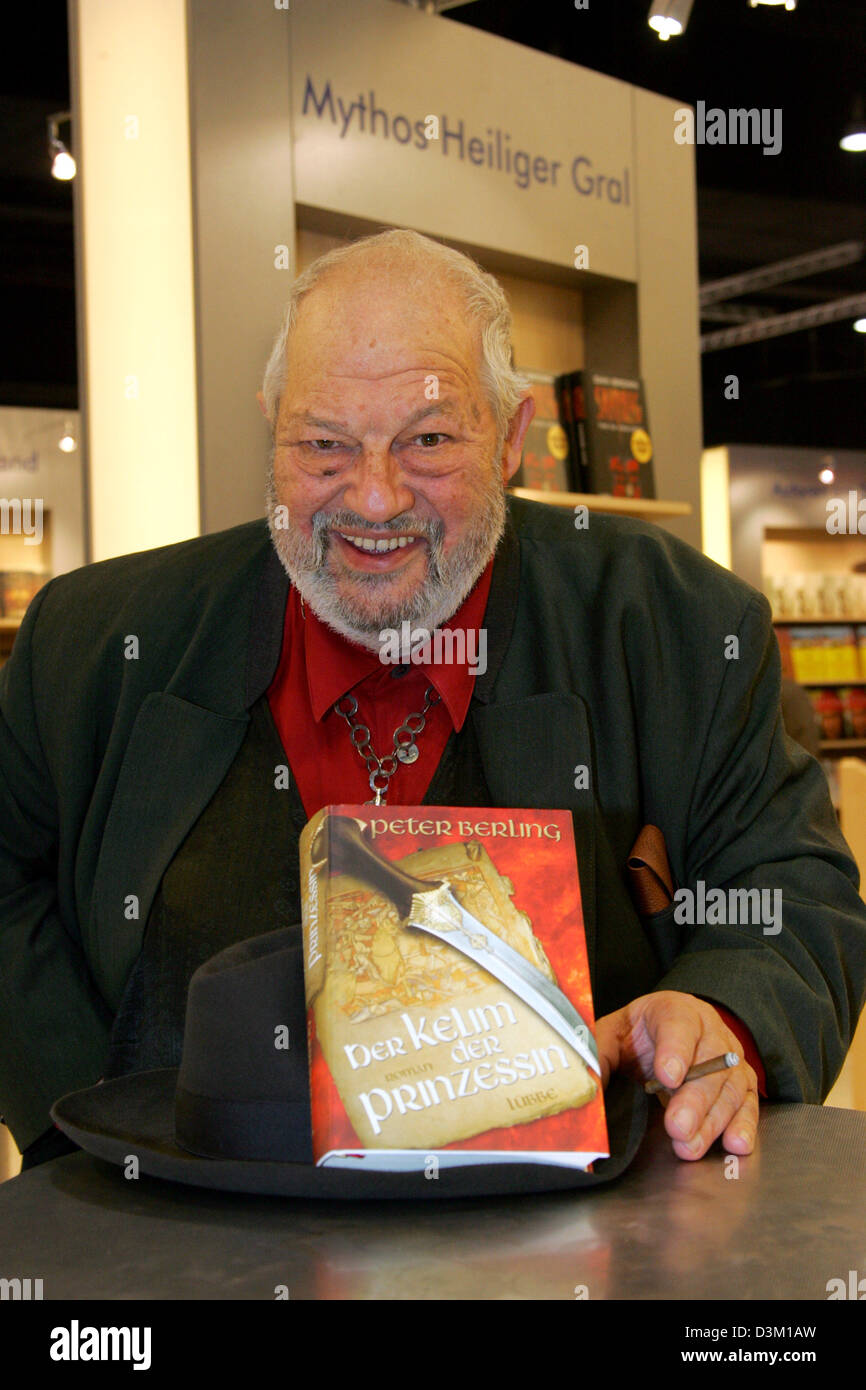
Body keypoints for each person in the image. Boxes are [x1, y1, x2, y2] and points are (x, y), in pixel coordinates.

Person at [2, 229, 865, 1175]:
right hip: (166, 1246)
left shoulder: (680, 632)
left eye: (428, 440)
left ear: (509, 435)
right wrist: (89, 1123)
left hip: (576, 1251)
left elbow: (794, 887)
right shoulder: (92, 645)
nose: (374, 500)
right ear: (272, 424)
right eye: (324, 444)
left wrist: (722, 1012)